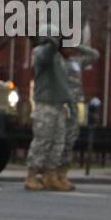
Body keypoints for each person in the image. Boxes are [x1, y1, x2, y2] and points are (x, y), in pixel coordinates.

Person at [27, 34, 73, 191]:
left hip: (59, 106)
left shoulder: (59, 57)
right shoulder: (40, 53)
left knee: (58, 143)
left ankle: (50, 175)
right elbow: (47, 53)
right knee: (42, 142)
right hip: (45, 105)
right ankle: (32, 175)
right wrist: (55, 40)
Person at [57, 39, 101, 190]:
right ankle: (52, 173)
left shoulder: (76, 61)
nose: (69, 50)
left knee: (70, 139)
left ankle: (63, 174)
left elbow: (95, 55)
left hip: (75, 105)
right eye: (66, 47)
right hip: (61, 104)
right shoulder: (57, 62)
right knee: (58, 140)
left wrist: (77, 45)